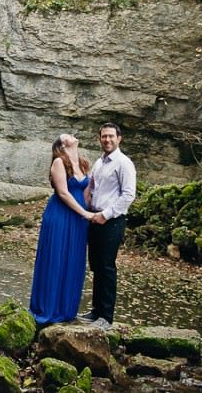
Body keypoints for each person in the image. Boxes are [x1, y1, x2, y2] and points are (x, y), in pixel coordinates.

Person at [29, 133, 98, 325]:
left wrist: (93, 211)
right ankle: (47, 309)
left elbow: (85, 194)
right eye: (66, 135)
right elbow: (63, 193)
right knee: (56, 258)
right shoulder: (59, 162)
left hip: (78, 219)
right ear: (61, 144)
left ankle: (66, 309)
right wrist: (85, 214)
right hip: (60, 215)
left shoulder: (82, 163)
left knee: (73, 259)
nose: (72, 134)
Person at [78, 122, 137, 330]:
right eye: (104, 136)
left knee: (107, 266)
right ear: (99, 138)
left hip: (112, 221)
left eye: (111, 136)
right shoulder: (99, 162)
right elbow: (91, 187)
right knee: (96, 265)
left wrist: (106, 214)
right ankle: (96, 311)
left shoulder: (123, 163)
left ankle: (106, 316)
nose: (107, 140)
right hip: (95, 218)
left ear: (119, 138)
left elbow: (129, 195)